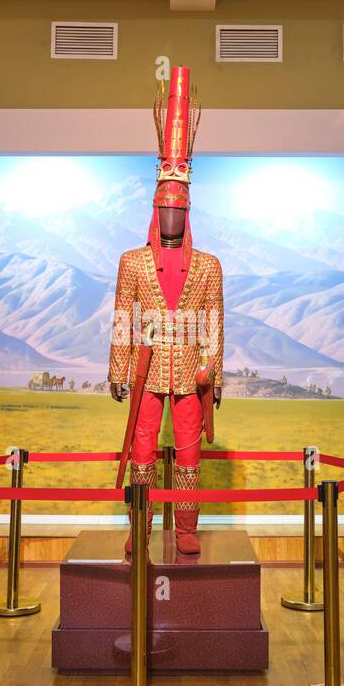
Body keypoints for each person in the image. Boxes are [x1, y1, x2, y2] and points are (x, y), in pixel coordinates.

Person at [108, 66, 223, 555]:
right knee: (141, 450)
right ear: (156, 212)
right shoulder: (132, 261)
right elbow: (123, 320)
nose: (173, 217)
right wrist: (117, 370)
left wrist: (211, 370)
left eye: (180, 210)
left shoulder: (209, 265)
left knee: (192, 452)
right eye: (166, 210)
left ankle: (188, 527)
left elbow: (214, 323)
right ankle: (143, 524)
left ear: (189, 213)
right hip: (146, 366)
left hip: (189, 370)